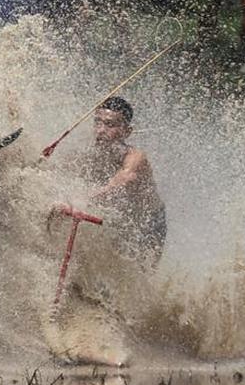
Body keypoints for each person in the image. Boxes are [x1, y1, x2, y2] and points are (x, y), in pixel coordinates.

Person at [56, 97, 166, 268]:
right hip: (119, 218)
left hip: (149, 224)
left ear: (126, 131)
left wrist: (82, 198)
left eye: (110, 125)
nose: (101, 130)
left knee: (136, 272)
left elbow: (121, 182)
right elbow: (61, 169)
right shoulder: (89, 153)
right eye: (97, 122)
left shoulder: (135, 157)